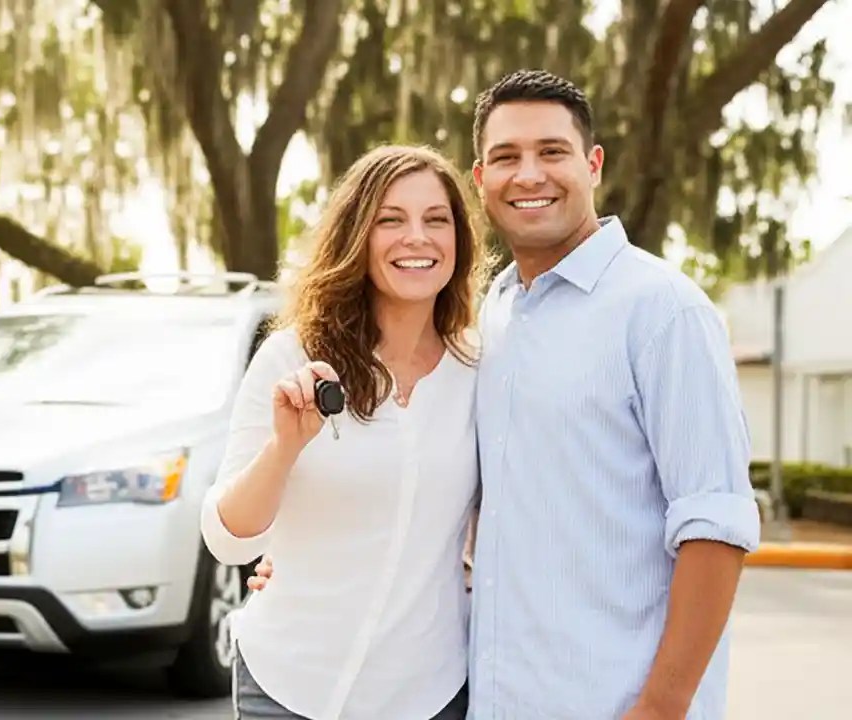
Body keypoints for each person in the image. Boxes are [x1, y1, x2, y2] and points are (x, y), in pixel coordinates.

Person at [249, 69, 761, 720]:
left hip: (614, 703)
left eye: (552, 152)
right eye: (506, 157)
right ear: (481, 177)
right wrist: (308, 557)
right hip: (494, 699)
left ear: (593, 164)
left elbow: (716, 524)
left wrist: (661, 708)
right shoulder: (491, 318)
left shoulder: (662, 312)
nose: (529, 175)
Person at [201, 144, 487, 720]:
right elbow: (229, 540)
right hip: (288, 685)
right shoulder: (290, 358)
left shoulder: (481, 372)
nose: (417, 237)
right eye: (391, 220)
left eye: (436, 220)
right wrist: (284, 448)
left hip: (428, 694)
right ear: (358, 236)